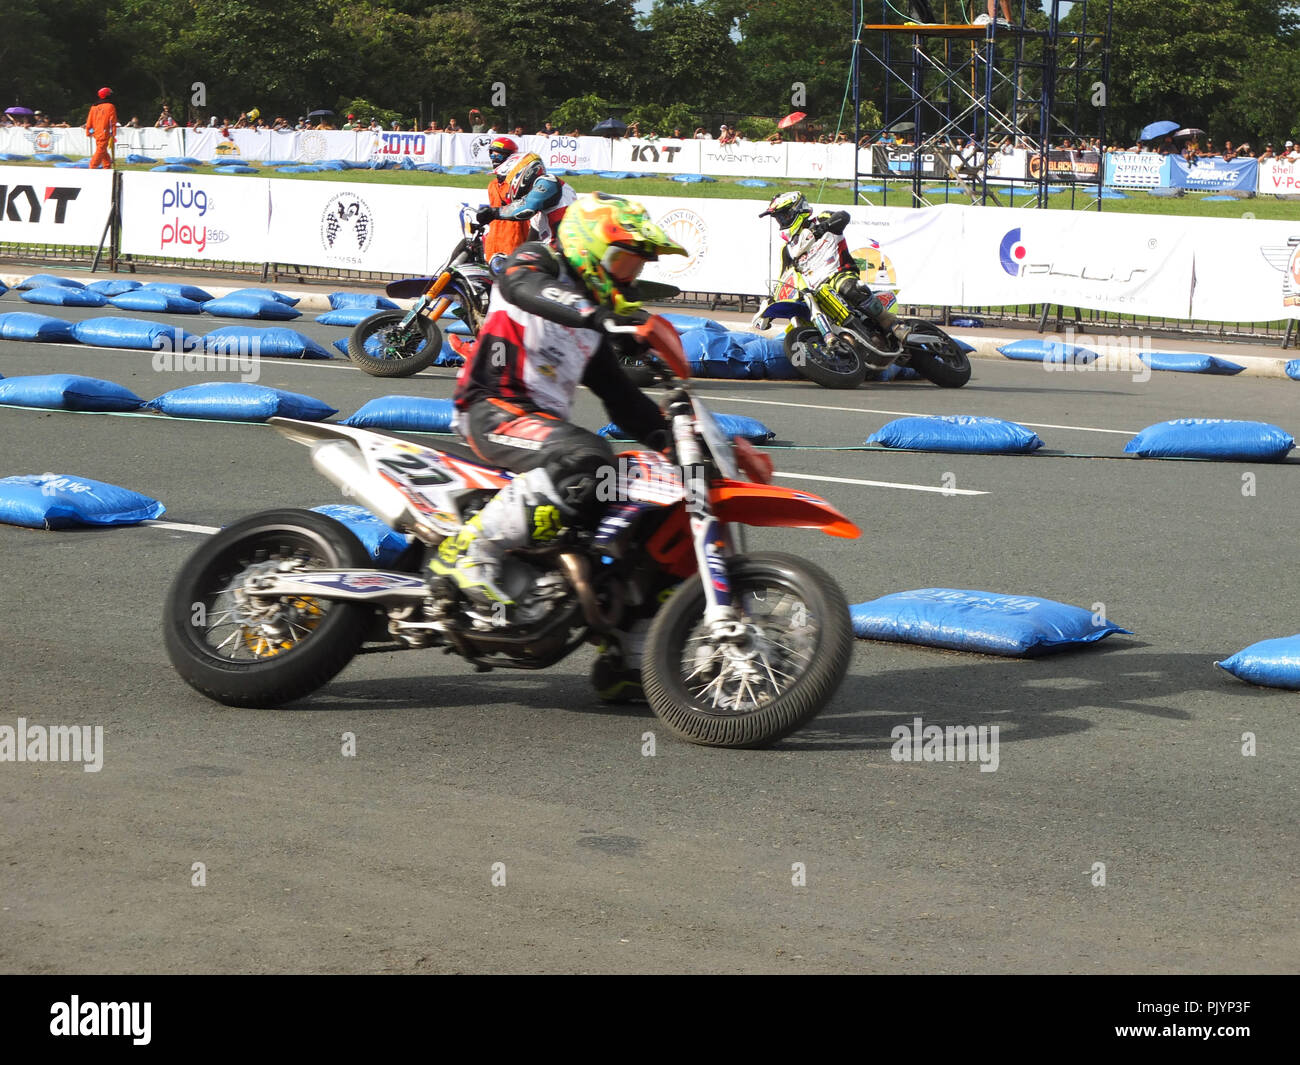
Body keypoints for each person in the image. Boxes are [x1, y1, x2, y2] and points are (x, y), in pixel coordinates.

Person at [430, 194, 689, 697]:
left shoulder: (591, 329)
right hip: (492, 409)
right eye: (622, 260)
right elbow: (521, 285)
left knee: (653, 499)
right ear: (587, 245)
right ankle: (470, 550)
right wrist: (601, 317)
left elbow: (623, 401)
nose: (627, 275)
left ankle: (630, 657)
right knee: (590, 456)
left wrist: (679, 441)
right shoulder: (536, 260)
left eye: (635, 265)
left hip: (539, 428)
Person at [758, 190, 914, 345]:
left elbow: (844, 216)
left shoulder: (821, 220)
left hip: (839, 273)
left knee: (846, 286)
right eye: (778, 218)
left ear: (797, 210)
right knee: (798, 315)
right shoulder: (787, 250)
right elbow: (784, 278)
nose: (782, 221)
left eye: (784, 216)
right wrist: (771, 303)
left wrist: (824, 227)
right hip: (814, 291)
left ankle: (893, 324)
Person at [476, 149, 577, 247]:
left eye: (510, 177)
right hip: (559, 250)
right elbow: (529, 244)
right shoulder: (539, 214)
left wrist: (493, 212)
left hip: (569, 249)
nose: (510, 183)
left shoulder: (548, 181)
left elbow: (527, 207)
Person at [84, 87, 118, 170]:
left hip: (96, 132)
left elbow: (89, 120)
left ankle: (107, 166)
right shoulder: (110, 106)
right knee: (101, 150)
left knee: (103, 150)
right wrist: (113, 133)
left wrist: (88, 130)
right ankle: (92, 167)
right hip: (105, 132)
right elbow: (112, 121)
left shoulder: (94, 107)